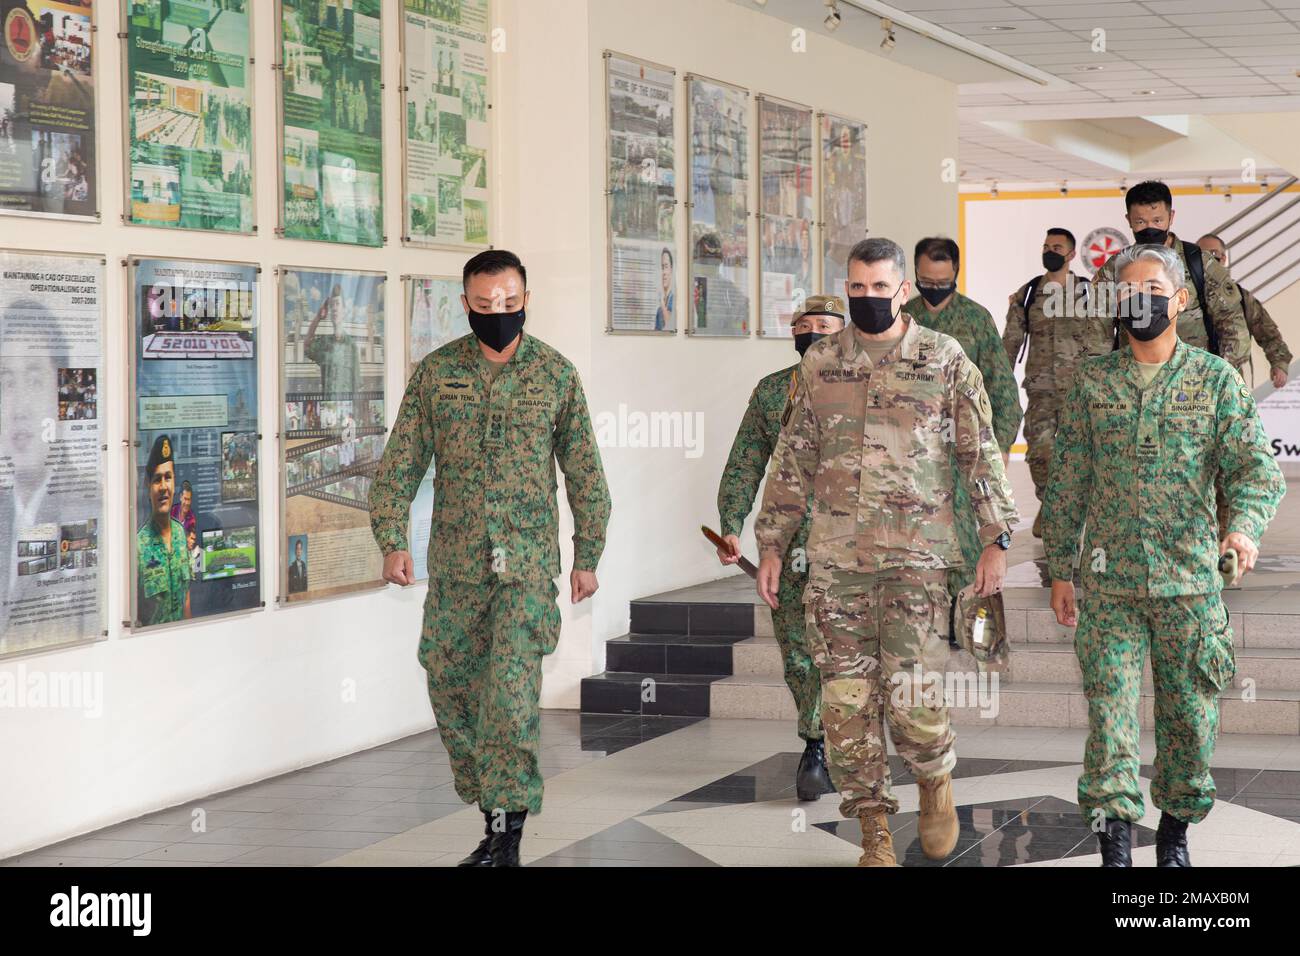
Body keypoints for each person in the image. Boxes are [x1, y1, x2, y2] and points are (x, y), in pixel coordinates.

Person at [755, 238, 1018, 867]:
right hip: (837, 565)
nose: (867, 298)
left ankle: (933, 779)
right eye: (857, 287)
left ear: (903, 290)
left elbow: (978, 453)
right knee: (845, 705)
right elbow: (793, 461)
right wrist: (771, 543)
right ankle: (873, 830)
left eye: (879, 287)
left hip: (919, 563)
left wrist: (995, 538)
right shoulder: (820, 363)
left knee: (914, 697)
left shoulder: (944, 357)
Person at [1043, 244, 1285, 867]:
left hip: (1191, 585)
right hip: (1110, 588)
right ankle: (1115, 841)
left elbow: (1256, 471)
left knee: (1190, 723)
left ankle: (1174, 831)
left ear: (1179, 300)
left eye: (1152, 289)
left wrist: (1244, 531)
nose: (1138, 301)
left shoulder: (1214, 379)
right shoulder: (1094, 383)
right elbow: (1069, 480)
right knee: (1111, 723)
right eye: (1127, 292)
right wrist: (1060, 570)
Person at [369, 249, 611, 868]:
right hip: (455, 567)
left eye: (508, 302)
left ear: (526, 298)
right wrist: (392, 538)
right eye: (484, 305)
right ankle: (490, 807)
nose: (497, 313)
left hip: (525, 569)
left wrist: (588, 554)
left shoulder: (556, 376)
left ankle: (506, 833)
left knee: (507, 699)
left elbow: (585, 473)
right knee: (449, 685)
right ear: (467, 304)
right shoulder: (437, 373)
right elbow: (400, 464)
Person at [716, 295, 847, 801]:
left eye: (825, 326)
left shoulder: (869, 384)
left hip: (853, 548)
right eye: (804, 325)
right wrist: (731, 521)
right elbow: (746, 459)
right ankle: (815, 742)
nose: (813, 333)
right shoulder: (773, 393)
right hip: (787, 547)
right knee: (798, 655)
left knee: (847, 653)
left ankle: (846, 742)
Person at [902, 237, 1022, 636]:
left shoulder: (976, 319)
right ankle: (924, 626)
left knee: (972, 543)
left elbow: (1004, 390)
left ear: (955, 274)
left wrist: (1001, 447)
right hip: (912, 459)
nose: (934, 290)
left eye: (943, 281)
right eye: (926, 281)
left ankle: (973, 630)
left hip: (965, 454)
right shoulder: (902, 318)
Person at [1085, 181, 1248, 369]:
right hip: (1133, 378)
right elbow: (1098, 328)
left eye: (1157, 220)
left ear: (1171, 217)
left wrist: (1220, 374)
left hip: (1193, 378)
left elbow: (1232, 321)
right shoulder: (1115, 268)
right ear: (1128, 219)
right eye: (1140, 222)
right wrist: (1100, 376)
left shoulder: (1200, 264)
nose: (1150, 228)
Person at [1002, 228, 1092, 537]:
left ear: (1071, 255)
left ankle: (1068, 515)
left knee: (1078, 457)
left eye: (1057, 246)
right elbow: (1010, 343)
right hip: (1040, 391)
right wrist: (1000, 383)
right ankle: (1050, 504)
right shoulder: (1028, 294)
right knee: (1040, 454)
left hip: (1081, 393)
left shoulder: (1090, 293)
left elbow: (1107, 339)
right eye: (1045, 246)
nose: (1049, 251)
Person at [1196, 233, 1291, 389]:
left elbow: (1268, 333)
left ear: (1224, 259)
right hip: (1189, 384)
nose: (1207, 260)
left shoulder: (1240, 298)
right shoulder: (1181, 296)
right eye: (1201, 254)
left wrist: (1279, 363)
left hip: (1229, 383)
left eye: (1213, 254)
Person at [136, 435, 192, 626]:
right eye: (157, 479)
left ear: (174, 482)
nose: (163, 487)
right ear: (148, 486)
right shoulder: (138, 546)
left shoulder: (180, 534)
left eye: (168, 478)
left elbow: (186, 600)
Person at [304, 284, 361, 397]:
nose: (334, 308)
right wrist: (318, 318)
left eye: (338, 304)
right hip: (327, 409)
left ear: (344, 309)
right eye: (332, 305)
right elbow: (306, 347)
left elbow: (357, 385)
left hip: (346, 410)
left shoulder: (351, 346)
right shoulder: (324, 343)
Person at [654, 247, 674, 331]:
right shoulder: (659, 310)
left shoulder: (673, 299)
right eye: (662, 267)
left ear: (671, 270)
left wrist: (661, 300)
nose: (664, 272)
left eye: (666, 267)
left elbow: (668, 322)